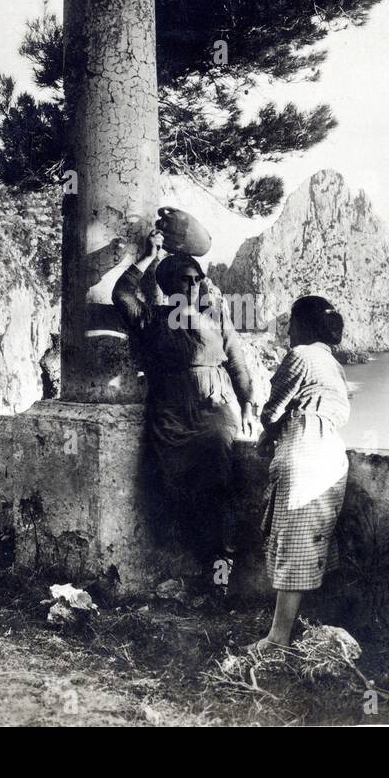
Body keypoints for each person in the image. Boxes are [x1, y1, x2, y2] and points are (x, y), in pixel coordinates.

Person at [113, 229, 259, 582]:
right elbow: (121, 293)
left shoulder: (217, 318)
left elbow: (238, 363)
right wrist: (148, 258)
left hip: (214, 407)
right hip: (171, 412)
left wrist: (250, 407)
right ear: (168, 284)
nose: (192, 285)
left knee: (218, 482)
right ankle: (190, 566)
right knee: (175, 489)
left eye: (197, 279)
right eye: (184, 279)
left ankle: (220, 573)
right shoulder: (153, 319)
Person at [247, 295, 351, 653]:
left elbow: (272, 410)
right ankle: (312, 627)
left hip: (305, 449)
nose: (288, 332)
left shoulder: (302, 356)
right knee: (314, 542)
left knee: (292, 543)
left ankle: (277, 639)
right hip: (331, 453)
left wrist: (267, 430)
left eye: (290, 325)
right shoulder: (333, 364)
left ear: (302, 325)